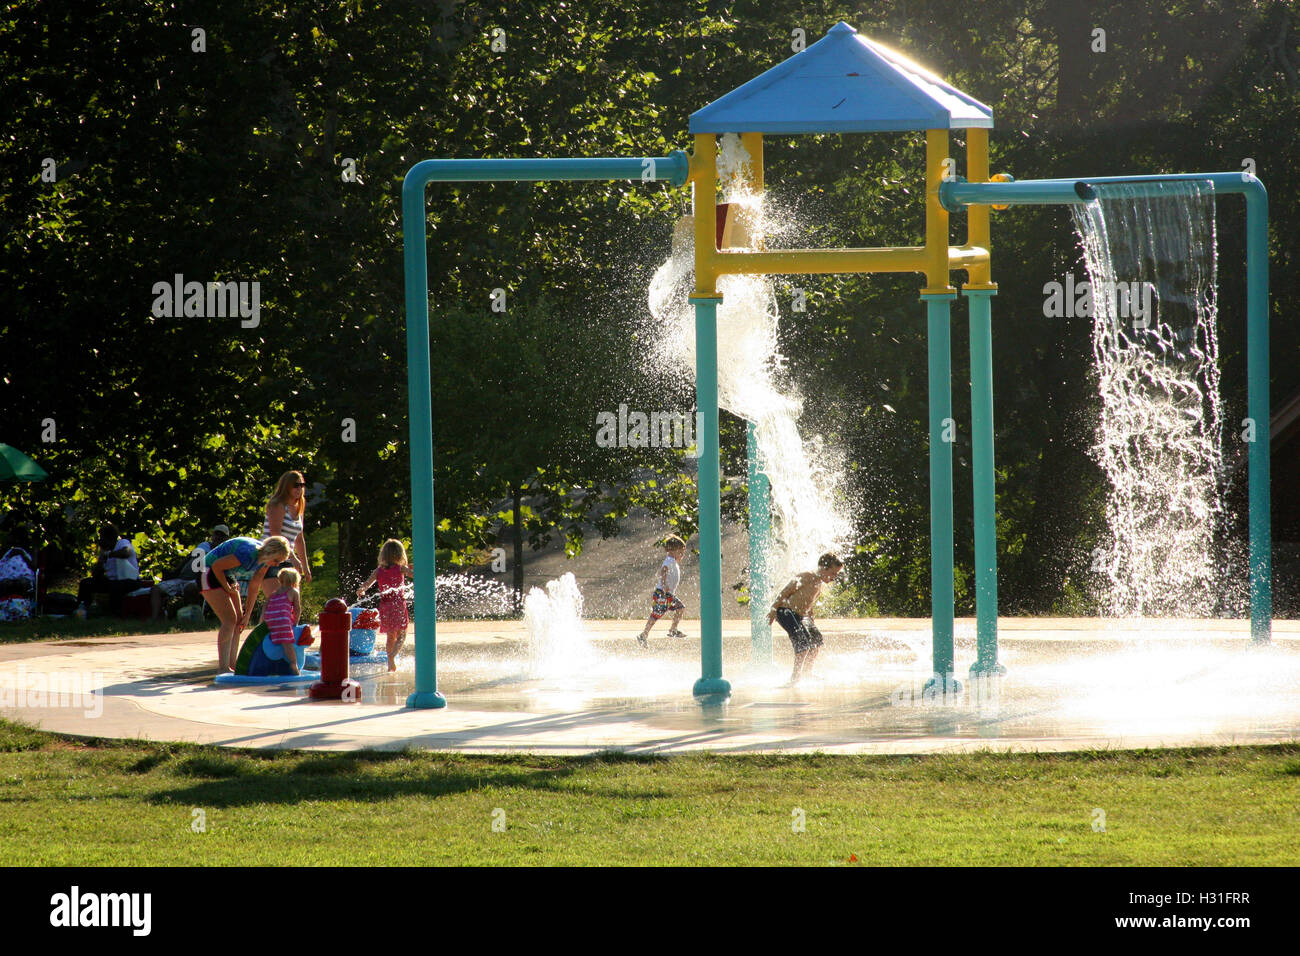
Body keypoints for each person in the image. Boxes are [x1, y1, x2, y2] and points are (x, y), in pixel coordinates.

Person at [199, 534, 291, 674]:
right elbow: (217, 566)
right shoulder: (248, 552)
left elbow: (254, 587)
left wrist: (248, 613)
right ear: (270, 552)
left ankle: (232, 664)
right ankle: (223, 667)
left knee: (239, 621)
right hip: (208, 570)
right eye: (277, 560)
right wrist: (227, 587)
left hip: (226, 574)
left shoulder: (264, 562)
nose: (277, 565)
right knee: (229, 620)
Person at [767, 552, 845, 685]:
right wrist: (774, 609)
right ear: (823, 568)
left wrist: (811, 621)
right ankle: (795, 677)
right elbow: (786, 591)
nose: (834, 577)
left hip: (801, 616)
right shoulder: (807, 576)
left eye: (836, 574)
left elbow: (809, 603)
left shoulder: (819, 584)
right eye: (833, 573)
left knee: (816, 641)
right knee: (802, 644)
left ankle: (807, 673)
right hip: (786, 611)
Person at [356, 539, 414, 672]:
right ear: (400, 554)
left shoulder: (379, 570)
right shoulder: (400, 568)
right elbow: (415, 576)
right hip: (398, 604)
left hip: (385, 606)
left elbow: (367, 583)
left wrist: (361, 590)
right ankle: (393, 655)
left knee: (390, 636)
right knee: (402, 634)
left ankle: (390, 662)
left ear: (383, 555)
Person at [150, 525, 230, 619]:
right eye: (217, 534)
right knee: (156, 589)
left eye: (222, 535)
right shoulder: (204, 545)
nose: (218, 537)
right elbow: (189, 558)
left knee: (190, 588)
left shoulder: (225, 553)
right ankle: (155, 618)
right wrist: (176, 571)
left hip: (199, 581)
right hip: (182, 578)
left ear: (226, 539)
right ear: (212, 536)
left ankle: (190, 617)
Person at [258, 471, 312, 607]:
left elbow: (299, 539)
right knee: (276, 603)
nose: (299, 489)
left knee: (292, 604)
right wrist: (294, 558)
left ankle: (288, 629)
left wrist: (305, 566)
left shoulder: (299, 506)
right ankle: (264, 628)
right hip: (271, 557)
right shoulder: (277, 504)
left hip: (288, 559)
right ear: (286, 486)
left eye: (302, 485)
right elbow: (276, 534)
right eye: (295, 485)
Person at [636, 534, 689, 647]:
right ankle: (644, 635)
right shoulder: (669, 560)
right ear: (672, 550)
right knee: (656, 614)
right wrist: (664, 585)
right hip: (662, 593)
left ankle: (672, 630)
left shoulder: (673, 561)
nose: (682, 555)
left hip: (668, 594)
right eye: (680, 552)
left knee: (680, 608)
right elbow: (663, 570)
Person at [76, 523, 141, 615]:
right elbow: (96, 575)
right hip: (113, 581)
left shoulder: (122, 543)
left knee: (116, 587)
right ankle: (82, 609)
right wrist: (101, 559)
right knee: (86, 583)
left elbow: (126, 553)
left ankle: (115, 614)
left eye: (102, 538)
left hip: (131, 580)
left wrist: (109, 555)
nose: (100, 541)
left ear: (108, 538)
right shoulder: (105, 552)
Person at [263, 567, 302, 675]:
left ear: (280, 580)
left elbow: (265, 606)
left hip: (270, 618)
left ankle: (274, 664)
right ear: (295, 580)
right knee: (287, 643)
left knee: (274, 641)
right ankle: (294, 664)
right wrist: (295, 622)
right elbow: (297, 609)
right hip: (282, 620)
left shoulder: (274, 593)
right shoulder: (293, 591)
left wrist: (263, 620)